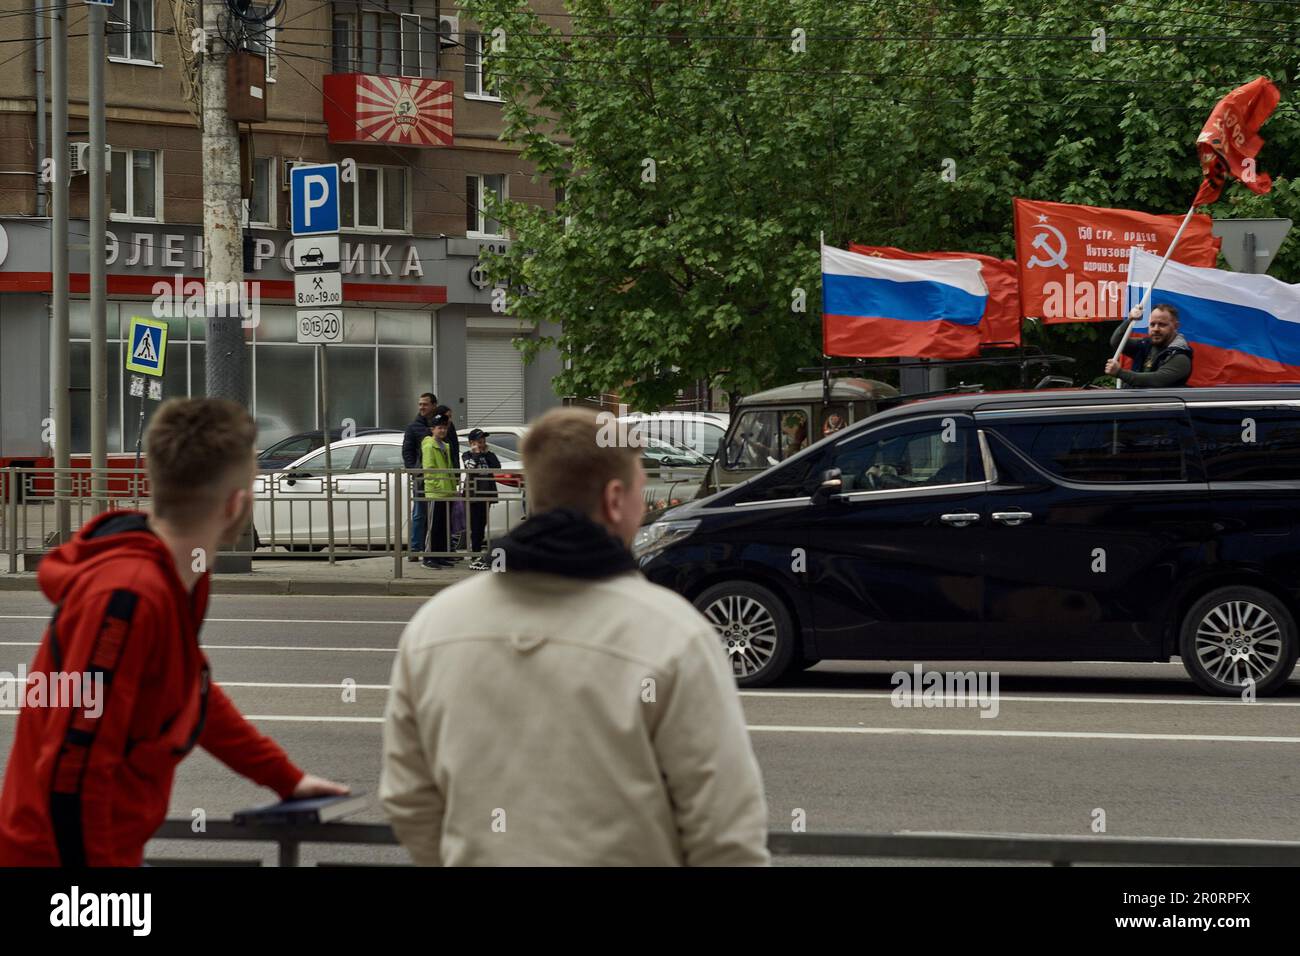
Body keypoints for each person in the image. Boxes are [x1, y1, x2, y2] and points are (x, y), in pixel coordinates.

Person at [380, 407, 770, 866]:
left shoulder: (435, 627)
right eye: (641, 494)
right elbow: (725, 834)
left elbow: (408, 799)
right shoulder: (674, 634)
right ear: (614, 499)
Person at [0, 398, 347, 866]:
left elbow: (190, 690)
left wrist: (286, 779)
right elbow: (72, 773)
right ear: (235, 505)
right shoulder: (127, 595)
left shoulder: (173, 577)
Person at [1105, 303, 1194, 387]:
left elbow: (1155, 380)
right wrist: (1130, 320)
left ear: (1176, 326)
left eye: (1162, 324)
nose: (1156, 329)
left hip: (1161, 402)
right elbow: (1117, 342)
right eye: (1152, 324)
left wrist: (1120, 373)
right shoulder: (1145, 345)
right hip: (1137, 401)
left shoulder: (1180, 357)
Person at [460, 428, 501, 571]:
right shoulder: (467, 455)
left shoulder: (489, 455)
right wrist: (476, 454)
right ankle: (474, 552)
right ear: (472, 443)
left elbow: (497, 466)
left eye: (484, 441)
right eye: (479, 441)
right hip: (473, 494)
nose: (482, 443)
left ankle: (477, 551)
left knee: (482, 523)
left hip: (486, 493)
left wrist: (486, 453)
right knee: (474, 524)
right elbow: (470, 467)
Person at [420, 414, 457, 569]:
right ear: (432, 429)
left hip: (447, 491)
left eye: (444, 427)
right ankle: (428, 558)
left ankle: (440, 555)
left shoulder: (445, 445)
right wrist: (436, 485)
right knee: (434, 526)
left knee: (443, 527)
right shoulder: (429, 446)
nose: (442, 430)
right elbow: (428, 469)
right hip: (435, 492)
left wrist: (452, 486)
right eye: (439, 427)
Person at [402, 392, 436, 562]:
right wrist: (414, 471)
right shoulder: (413, 427)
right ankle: (415, 549)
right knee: (419, 513)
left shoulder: (443, 424)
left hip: (441, 478)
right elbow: (407, 452)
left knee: (437, 514)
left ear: (434, 405)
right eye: (420, 404)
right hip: (421, 478)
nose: (422, 407)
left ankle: (437, 551)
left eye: (425, 404)